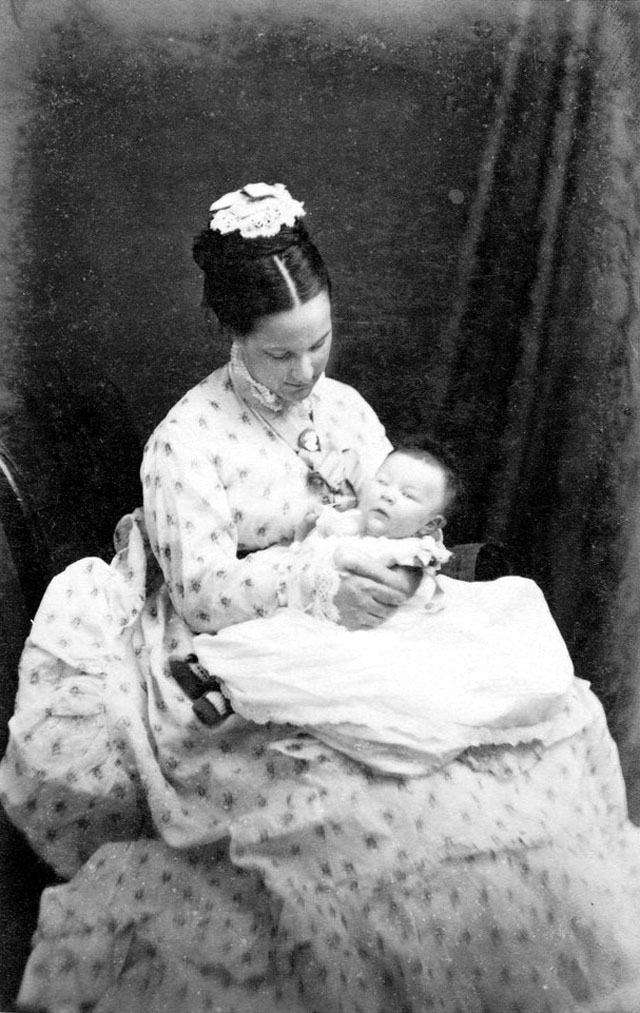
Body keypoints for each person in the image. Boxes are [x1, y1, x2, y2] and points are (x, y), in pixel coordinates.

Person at [1, 183, 640, 1013]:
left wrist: (396, 573)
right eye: (279, 354)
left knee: (507, 733)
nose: (306, 372)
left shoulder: (342, 407)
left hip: (357, 628)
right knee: (358, 803)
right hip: (238, 640)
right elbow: (201, 596)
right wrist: (318, 576)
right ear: (230, 332)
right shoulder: (184, 443)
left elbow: (393, 513)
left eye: (320, 343)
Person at [194, 442, 577, 776]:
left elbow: (408, 581)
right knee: (270, 636)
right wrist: (310, 532)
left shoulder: (412, 549)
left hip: (374, 630)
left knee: (314, 669)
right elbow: (311, 548)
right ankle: (213, 678)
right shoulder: (347, 522)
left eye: (408, 496)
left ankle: (227, 696)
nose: (389, 496)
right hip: (322, 609)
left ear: (432, 524)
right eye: (382, 483)